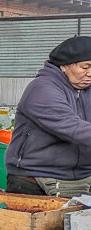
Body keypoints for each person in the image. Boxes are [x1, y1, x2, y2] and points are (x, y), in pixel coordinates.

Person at [5, 36, 91, 197]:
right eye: (85, 67)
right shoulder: (42, 88)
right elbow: (71, 126)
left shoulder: (86, 89)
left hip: (80, 178)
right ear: (64, 65)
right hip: (36, 179)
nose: (90, 73)